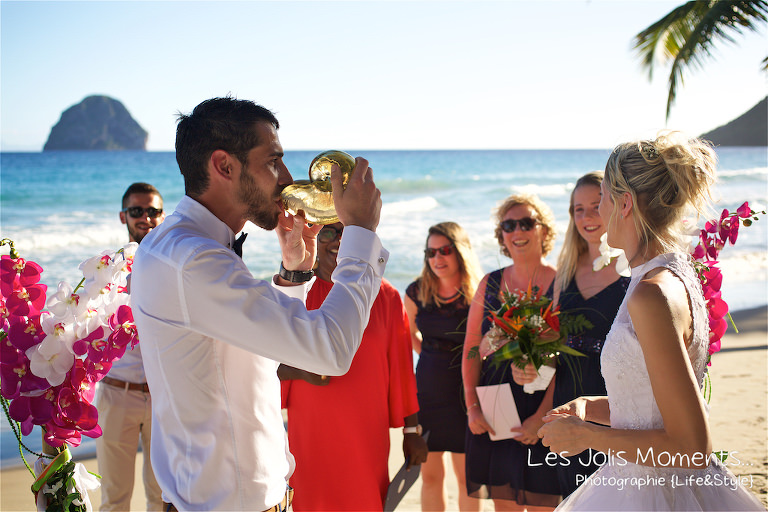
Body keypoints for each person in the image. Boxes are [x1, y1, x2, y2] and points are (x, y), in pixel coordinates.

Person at [130, 97, 385, 511]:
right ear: (224, 166)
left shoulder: (189, 248)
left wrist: (294, 276)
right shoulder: (193, 261)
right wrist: (360, 234)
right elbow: (331, 351)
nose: (286, 177)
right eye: (273, 161)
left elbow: (249, 357)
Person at [538, 133, 764, 511]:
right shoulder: (673, 274)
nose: (598, 209)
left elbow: (692, 447)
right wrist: (590, 407)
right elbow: (652, 407)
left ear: (625, 203)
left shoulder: (651, 294)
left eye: (604, 198)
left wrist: (586, 436)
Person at [279, 222, 428, 511]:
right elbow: (268, 366)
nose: (337, 241)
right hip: (311, 432)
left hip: (366, 433)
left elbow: (401, 369)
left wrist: (412, 432)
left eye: (346, 232)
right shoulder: (297, 294)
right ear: (314, 237)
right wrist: (302, 370)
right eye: (327, 232)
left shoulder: (385, 296)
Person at [462, 193, 561, 511]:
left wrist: (543, 418)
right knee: (504, 505)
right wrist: (472, 407)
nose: (517, 231)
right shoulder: (489, 283)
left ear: (543, 230)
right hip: (495, 407)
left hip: (543, 406)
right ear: (501, 235)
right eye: (508, 225)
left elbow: (567, 362)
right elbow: (470, 351)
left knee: (543, 503)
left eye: (526, 223)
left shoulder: (563, 284)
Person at [549, 171, 629, 497]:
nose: (586, 217)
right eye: (577, 209)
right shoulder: (565, 270)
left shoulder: (634, 269)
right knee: (573, 496)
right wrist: (530, 369)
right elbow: (551, 344)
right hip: (568, 397)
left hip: (615, 399)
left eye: (595, 205)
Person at [403, 222, 483, 512]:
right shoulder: (417, 291)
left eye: (444, 251)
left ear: (460, 252)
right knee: (431, 475)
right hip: (428, 390)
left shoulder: (478, 292)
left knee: (467, 478)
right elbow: (407, 333)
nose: (437, 259)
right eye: (431, 252)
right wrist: (430, 354)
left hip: (466, 393)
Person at [96, 182, 164, 511]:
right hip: (116, 392)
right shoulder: (105, 273)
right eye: (137, 211)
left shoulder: (175, 267)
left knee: (163, 496)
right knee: (114, 499)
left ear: (162, 216)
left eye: (153, 211)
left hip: (164, 396)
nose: (146, 219)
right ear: (123, 216)